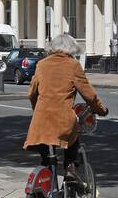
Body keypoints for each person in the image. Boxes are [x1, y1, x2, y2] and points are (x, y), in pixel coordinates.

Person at [23, 34, 107, 184]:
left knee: (46, 159)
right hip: (62, 120)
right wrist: (101, 110)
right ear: (71, 49)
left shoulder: (42, 64)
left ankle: (44, 187)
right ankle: (70, 168)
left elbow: (31, 93)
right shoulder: (72, 65)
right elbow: (89, 95)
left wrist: (37, 110)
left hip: (40, 122)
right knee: (73, 135)